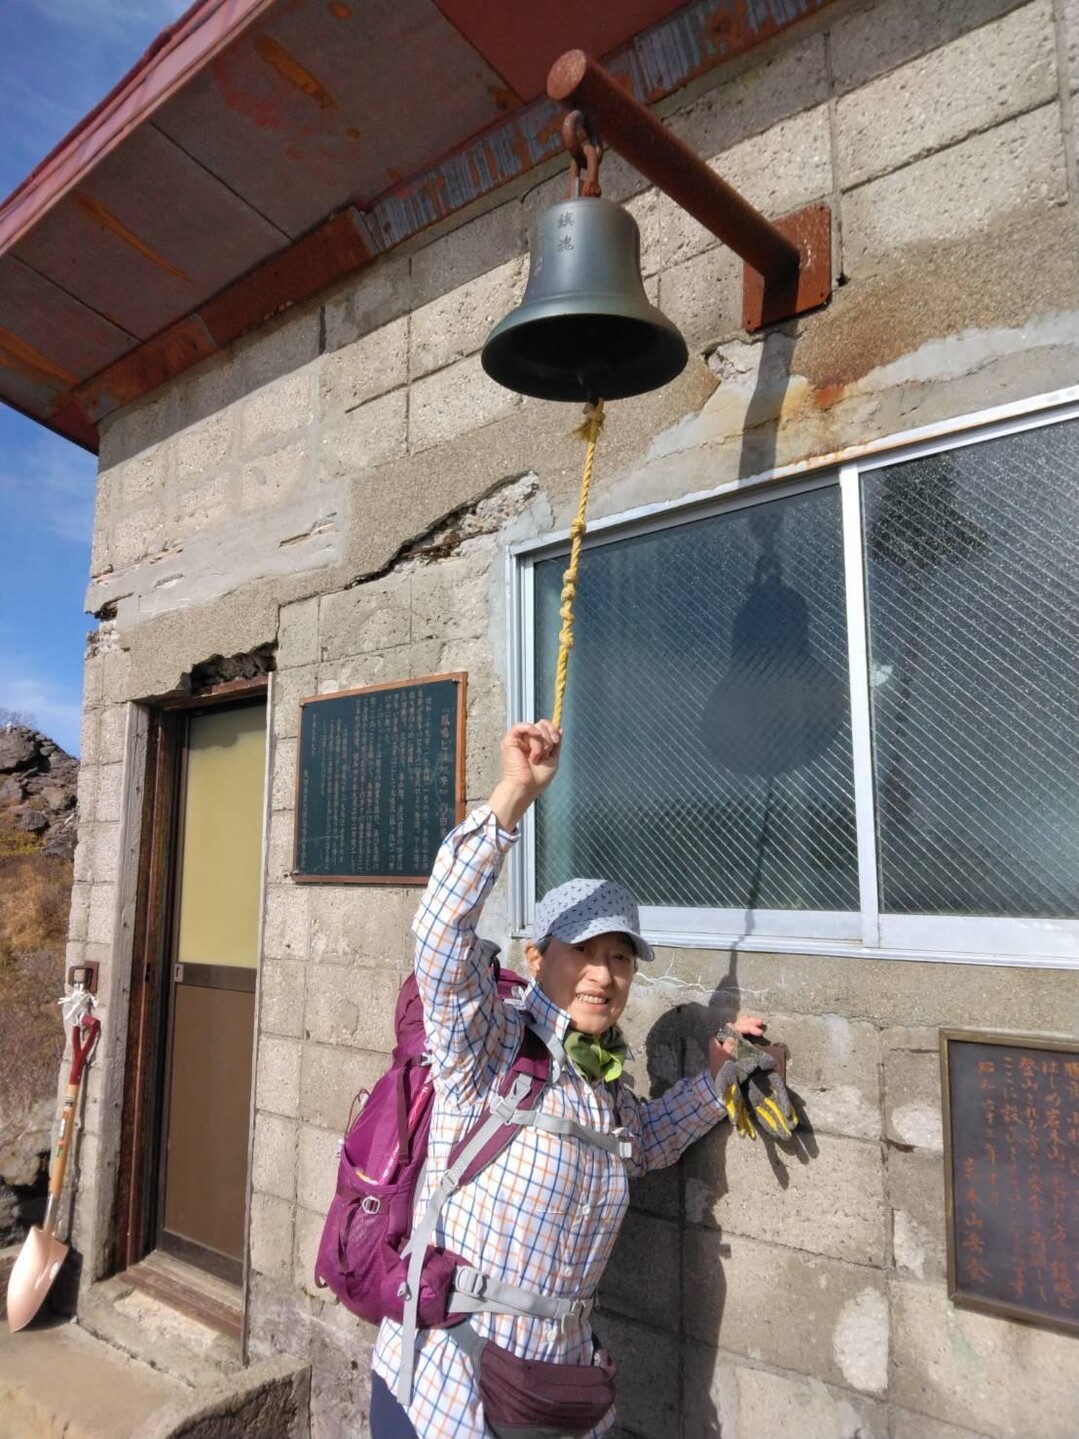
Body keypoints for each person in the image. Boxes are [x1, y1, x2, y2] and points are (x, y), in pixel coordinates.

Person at [370, 719, 767, 1439]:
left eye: (619, 956)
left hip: (550, 1396)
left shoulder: (606, 1085)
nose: (601, 973)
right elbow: (437, 938)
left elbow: (642, 1141)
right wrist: (512, 797)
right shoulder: (489, 1050)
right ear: (536, 953)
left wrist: (715, 1082)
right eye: (581, 950)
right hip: (442, 1391)